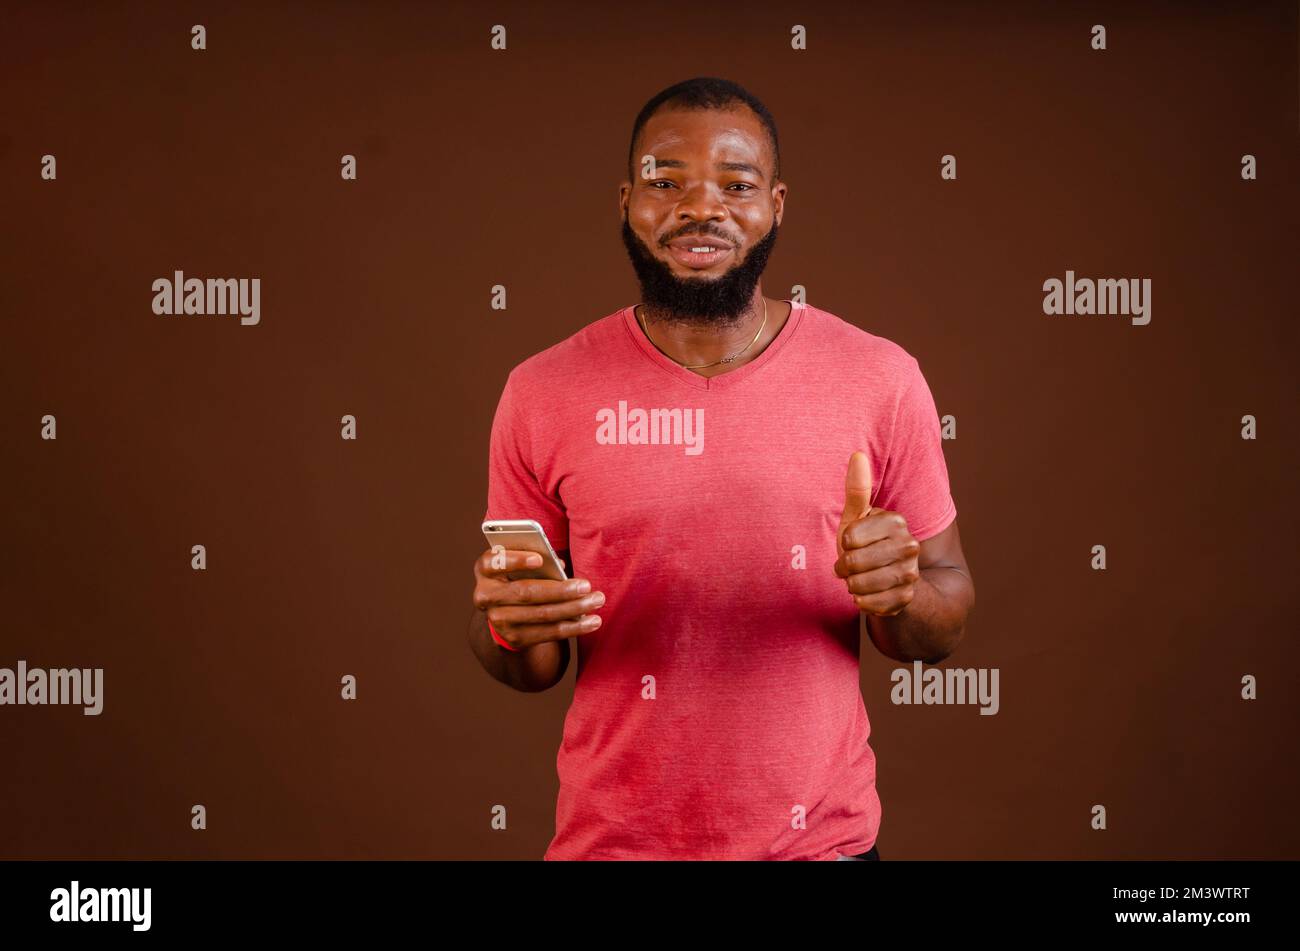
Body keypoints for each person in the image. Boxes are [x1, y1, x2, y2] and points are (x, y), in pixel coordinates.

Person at [468, 77, 975, 860]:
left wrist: (900, 591)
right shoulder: (541, 391)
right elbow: (528, 658)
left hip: (820, 850)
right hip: (614, 846)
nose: (700, 207)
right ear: (627, 199)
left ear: (775, 204)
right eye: (666, 181)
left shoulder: (881, 377)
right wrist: (507, 626)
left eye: (735, 185)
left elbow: (943, 613)